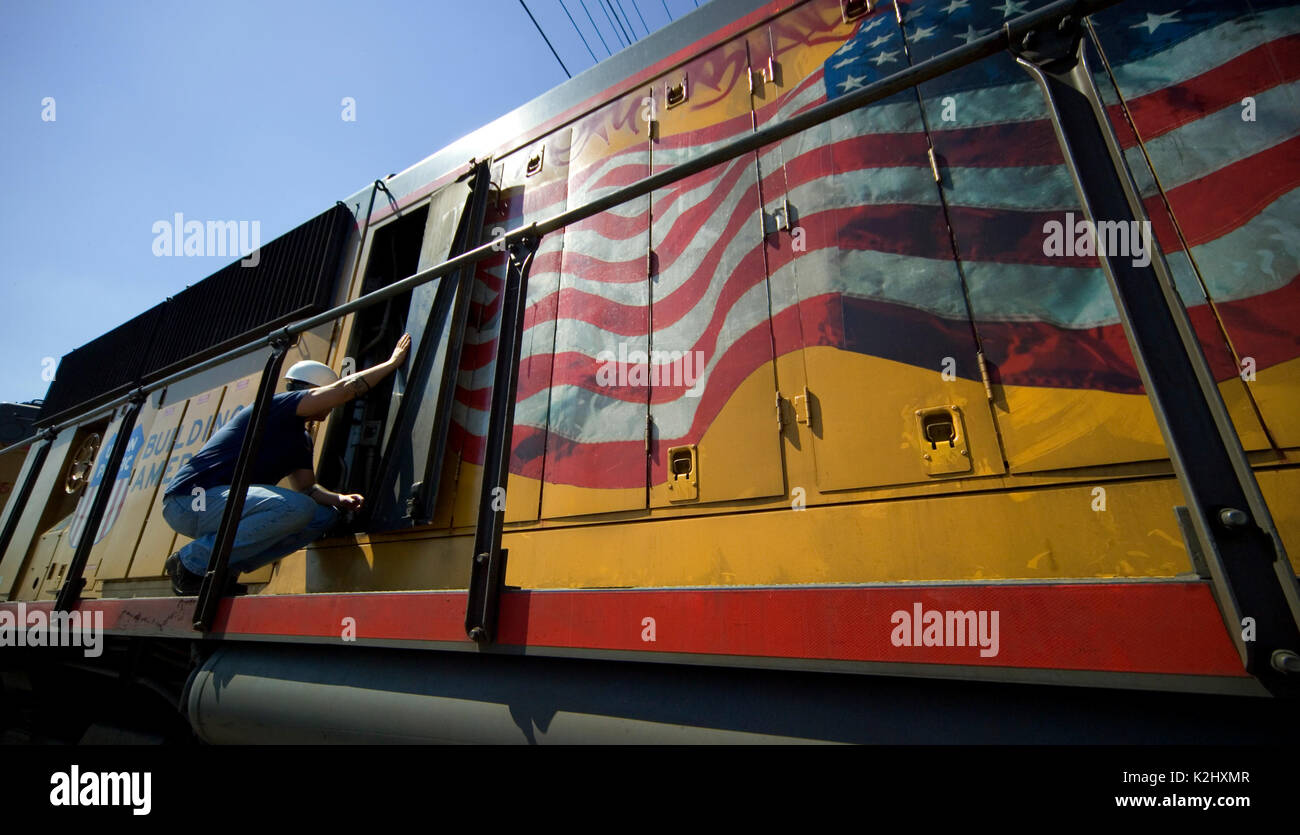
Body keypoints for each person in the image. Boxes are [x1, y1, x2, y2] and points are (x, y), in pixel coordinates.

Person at [161, 333, 411, 596]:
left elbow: (307, 489)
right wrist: (392, 363)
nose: (330, 406)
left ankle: (223, 568)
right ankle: (190, 563)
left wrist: (340, 499)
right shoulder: (276, 406)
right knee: (297, 508)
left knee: (322, 516)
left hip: (224, 507)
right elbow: (345, 390)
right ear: (311, 390)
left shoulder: (300, 438)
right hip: (188, 502)